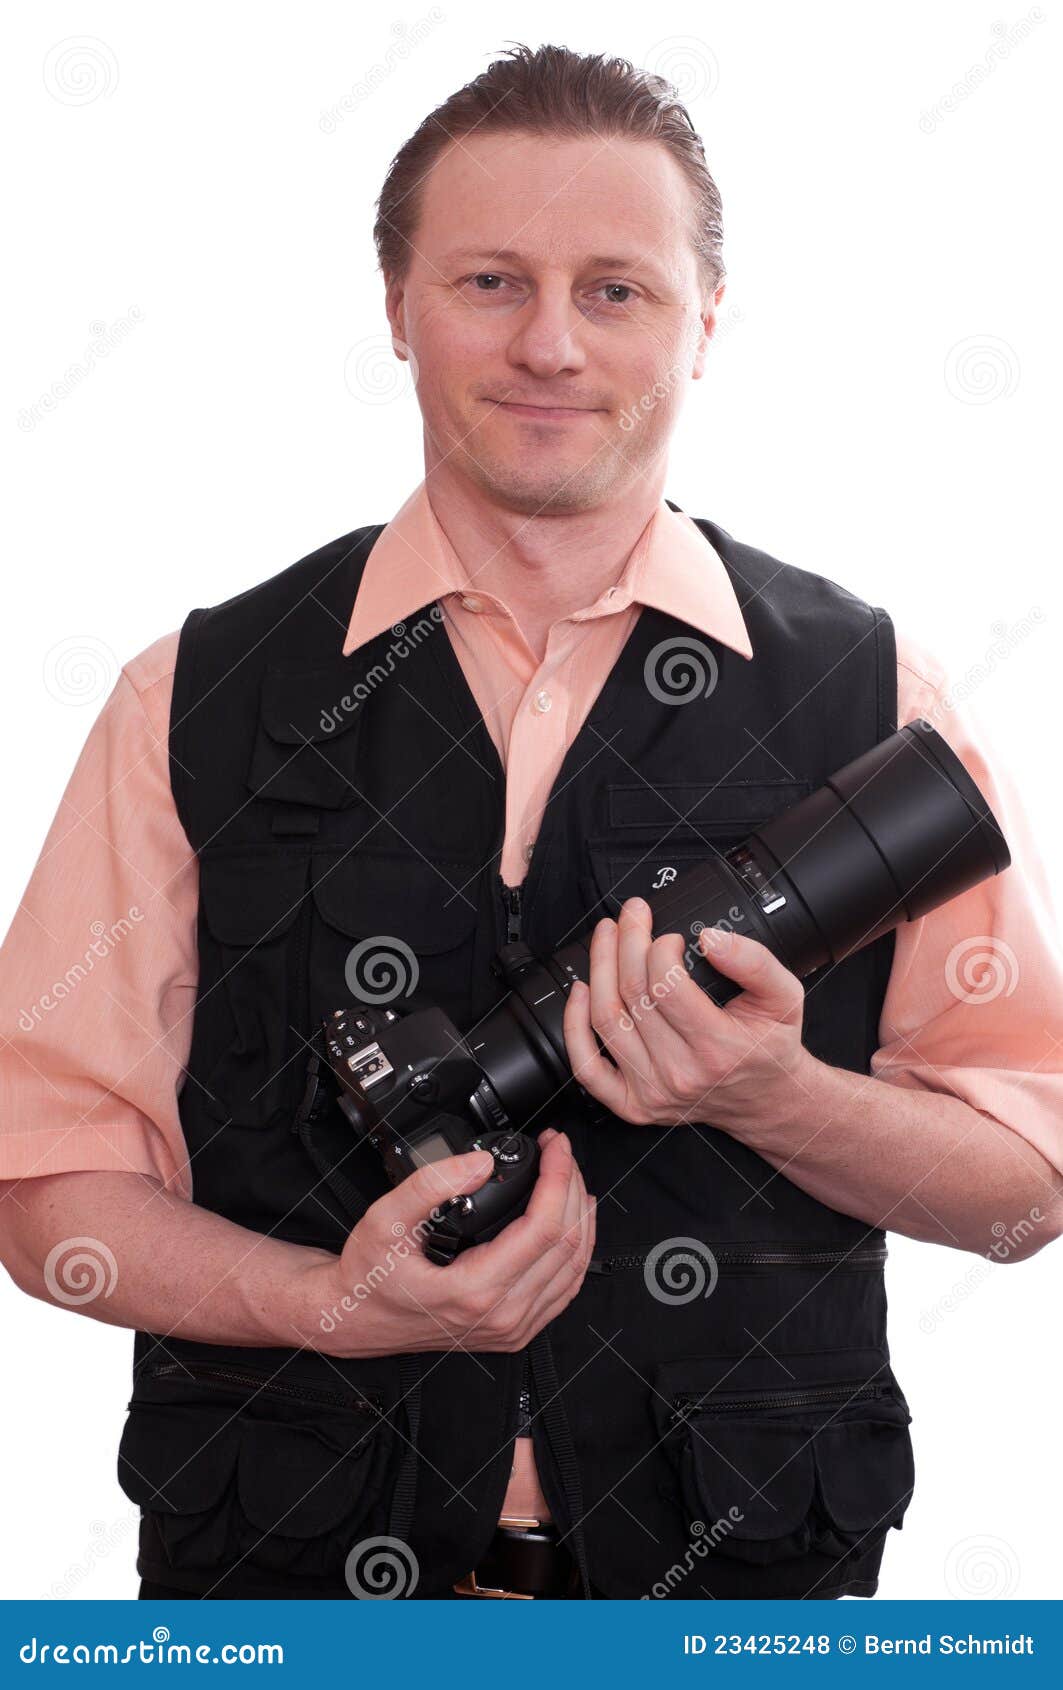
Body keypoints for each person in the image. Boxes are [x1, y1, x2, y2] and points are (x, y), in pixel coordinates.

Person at [2, 42, 1062, 1604]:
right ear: (396, 307)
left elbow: (1029, 1186)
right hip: (287, 1592)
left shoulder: (867, 696)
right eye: (491, 279)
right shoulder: (202, 694)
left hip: (742, 1595)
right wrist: (339, 1302)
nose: (551, 343)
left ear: (708, 322)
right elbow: (42, 1187)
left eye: (616, 289)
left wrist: (776, 1096)